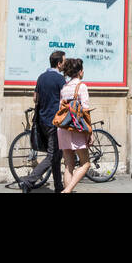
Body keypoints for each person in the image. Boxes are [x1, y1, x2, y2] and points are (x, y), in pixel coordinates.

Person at [19, 49, 65, 194]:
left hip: (43, 121)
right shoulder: (60, 79)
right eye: (64, 61)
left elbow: (35, 98)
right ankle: (29, 181)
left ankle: (58, 187)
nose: (64, 64)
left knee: (56, 154)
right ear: (59, 63)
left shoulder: (41, 77)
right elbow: (64, 100)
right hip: (54, 122)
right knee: (52, 156)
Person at [56, 58, 92, 193]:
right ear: (80, 72)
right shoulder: (81, 86)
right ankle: (67, 190)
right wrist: (89, 133)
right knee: (86, 163)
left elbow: (60, 107)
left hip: (63, 128)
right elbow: (86, 111)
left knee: (68, 165)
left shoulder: (64, 88)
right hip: (76, 128)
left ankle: (67, 190)